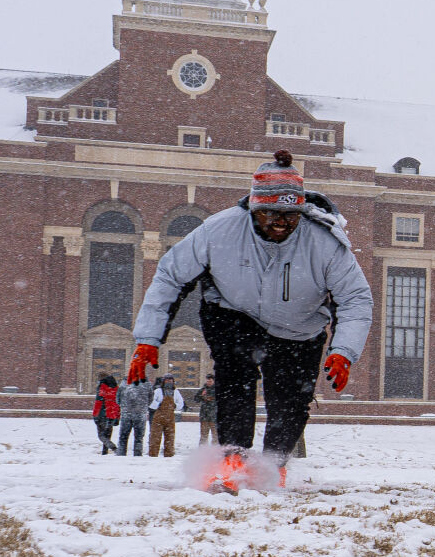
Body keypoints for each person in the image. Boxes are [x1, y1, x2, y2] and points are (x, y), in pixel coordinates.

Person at [128, 151, 373, 493]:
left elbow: (356, 299)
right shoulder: (219, 230)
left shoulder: (326, 243)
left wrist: (343, 351)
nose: (281, 222)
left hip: (300, 327)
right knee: (234, 378)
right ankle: (233, 458)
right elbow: (170, 276)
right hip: (233, 314)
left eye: (290, 214)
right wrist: (148, 339)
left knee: (290, 398)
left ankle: (274, 465)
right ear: (254, 208)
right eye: (271, 213)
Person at [147, 375, 185, 458]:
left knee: (170, 438)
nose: (169, 382)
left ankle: (169, 456)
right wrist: (159, 404)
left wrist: (174, 406)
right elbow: (150, 401)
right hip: (158, 418)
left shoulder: (176, 392)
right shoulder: (158, 391)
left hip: (170, 418)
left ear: (173, 382)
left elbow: (181, 403)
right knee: (155, 437)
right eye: (167, 380)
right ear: (163, 381)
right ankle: (153, 455)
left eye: (170, 381)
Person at [117, 376, 152, 456]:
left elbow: (118, 399)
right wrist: (143, 407)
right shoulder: (147, 384)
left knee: (123, 436)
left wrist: (124, 406)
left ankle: (121, 454)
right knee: (139, 437)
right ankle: (137, 454)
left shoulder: (124, 383)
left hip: (126, 414)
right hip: (140, 414)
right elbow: (150, 398)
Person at [92, 374, 120, 455]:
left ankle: (113, 448)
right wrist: (117, 417)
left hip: (102, 414)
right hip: (112, 414)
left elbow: (98, 402)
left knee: (101, 435)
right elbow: (118, 404)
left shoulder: (102, 387)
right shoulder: (116, 389)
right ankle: (105, 452)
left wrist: (95, 415)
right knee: (108, 435)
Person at [196, 373, 218, 447]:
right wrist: (201, 396)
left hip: (214, 417)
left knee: (215, 436)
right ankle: (203, 449)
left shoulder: (217, 390)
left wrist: (212, 399)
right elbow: (196, 399)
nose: (209, 383)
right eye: (208, 381)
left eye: (210, 381)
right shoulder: (203, 389)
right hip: (204, 416)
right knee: (203, 435)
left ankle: (215, 450)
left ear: (214, 381)